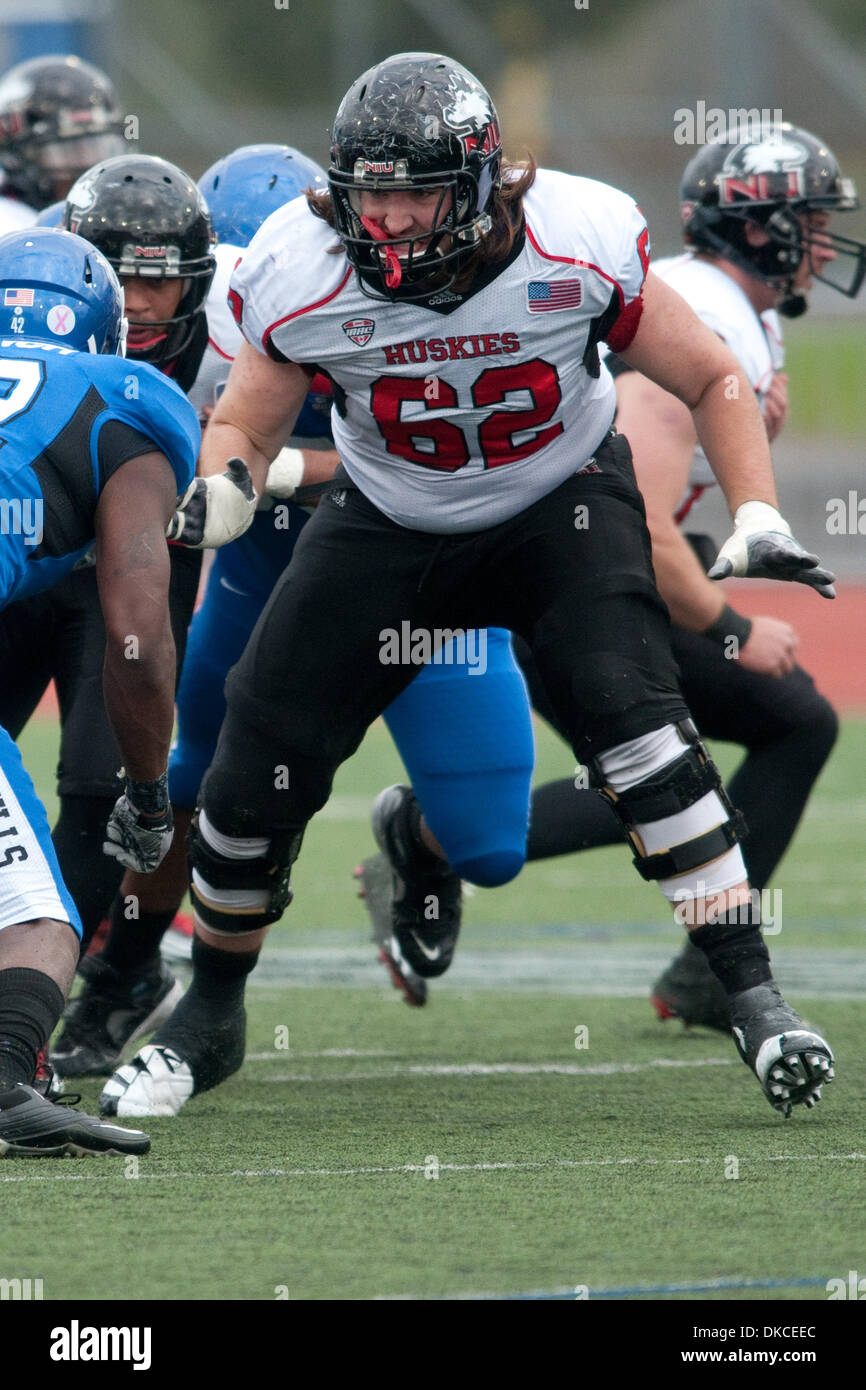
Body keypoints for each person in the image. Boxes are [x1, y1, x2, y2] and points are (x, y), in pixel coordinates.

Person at [101, 53, 836, 1124]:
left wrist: (758, 506)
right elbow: (253, 409)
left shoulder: (576, 236)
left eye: (414, 192)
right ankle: (209, 1014)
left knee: (642, 733)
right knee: (254, 757)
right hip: (390, 517)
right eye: (369, 193)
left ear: (484, 180)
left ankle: (753, 998)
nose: (387, 219)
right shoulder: (301, 264)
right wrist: (228, 477)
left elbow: (710, 376)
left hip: (558, 503)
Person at [56, 141, 534, 1075]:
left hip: (418, 563)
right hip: (271, 571)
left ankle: (412, 840)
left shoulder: (360, 288)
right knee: (182, 780)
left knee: (490, 841)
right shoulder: (124, 301)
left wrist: (271, 468)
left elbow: (441, 450)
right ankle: (129, 974)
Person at [0, 226, 200, 1155]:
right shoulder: (126, 404)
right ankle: (6, 1081)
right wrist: (151, 789)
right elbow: (135, 632)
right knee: (36, 916)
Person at [0, 54, 126, 218]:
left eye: (99, 147)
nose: (89, 167)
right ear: (14, 158)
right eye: (68, 152)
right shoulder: (9, 222)